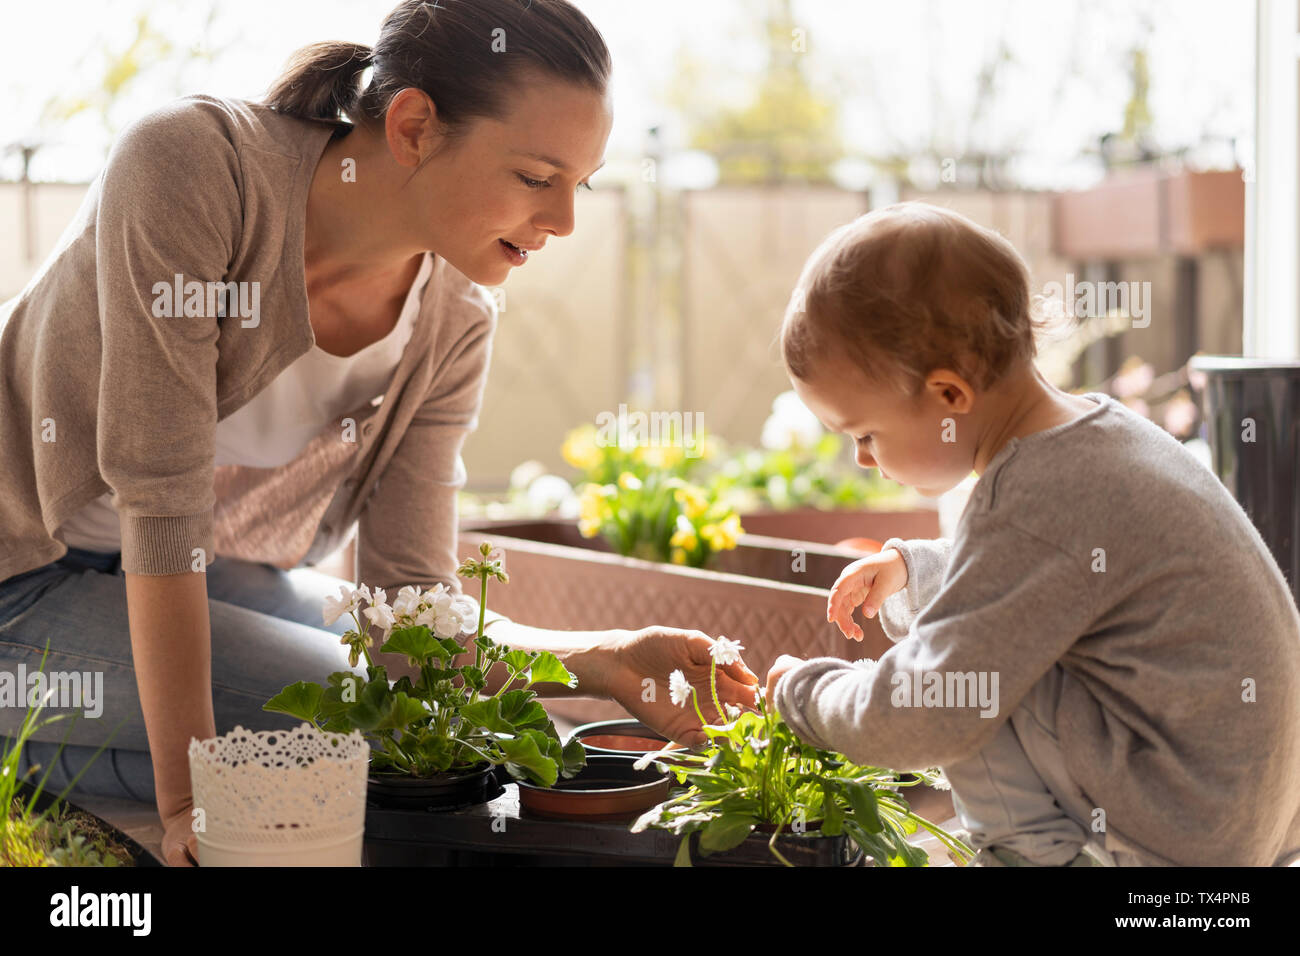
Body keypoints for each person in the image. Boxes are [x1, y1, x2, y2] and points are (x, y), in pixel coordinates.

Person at [0, 0, 756, 867]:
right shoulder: (193, 165)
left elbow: (413, 612)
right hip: (19, 570)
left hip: (195, 574)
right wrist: (191, 803)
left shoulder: (454, 319)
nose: (565, 223)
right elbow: (161, 498)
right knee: (363, 716)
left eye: (578, 184)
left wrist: (601, 657)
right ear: (413, 126)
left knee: (436, 725)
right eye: (537, 177)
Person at [764, 201, 1300, 866]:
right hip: (1242, 815)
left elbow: (926, 711)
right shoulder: (1097, 436)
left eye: (864, 434)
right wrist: (917, 568)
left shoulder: (1037, 493)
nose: (862, 461)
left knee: (963, 680)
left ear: (951, 397)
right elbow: (1041, 571)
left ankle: (1027, 858)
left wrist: (802, 693)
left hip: (1181, 836)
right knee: (975, 631)